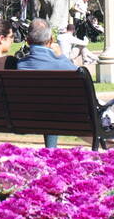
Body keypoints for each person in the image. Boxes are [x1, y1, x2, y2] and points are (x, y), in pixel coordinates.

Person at [15, 18, 77, 148]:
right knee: (51, 109)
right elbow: (79, 74)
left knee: (49, 108)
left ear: (28, 40)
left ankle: (50, 150)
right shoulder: (60, 64)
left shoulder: (20, 65)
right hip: (62, 118)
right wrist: (61, 56)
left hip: (23, 119)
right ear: (51, 40)